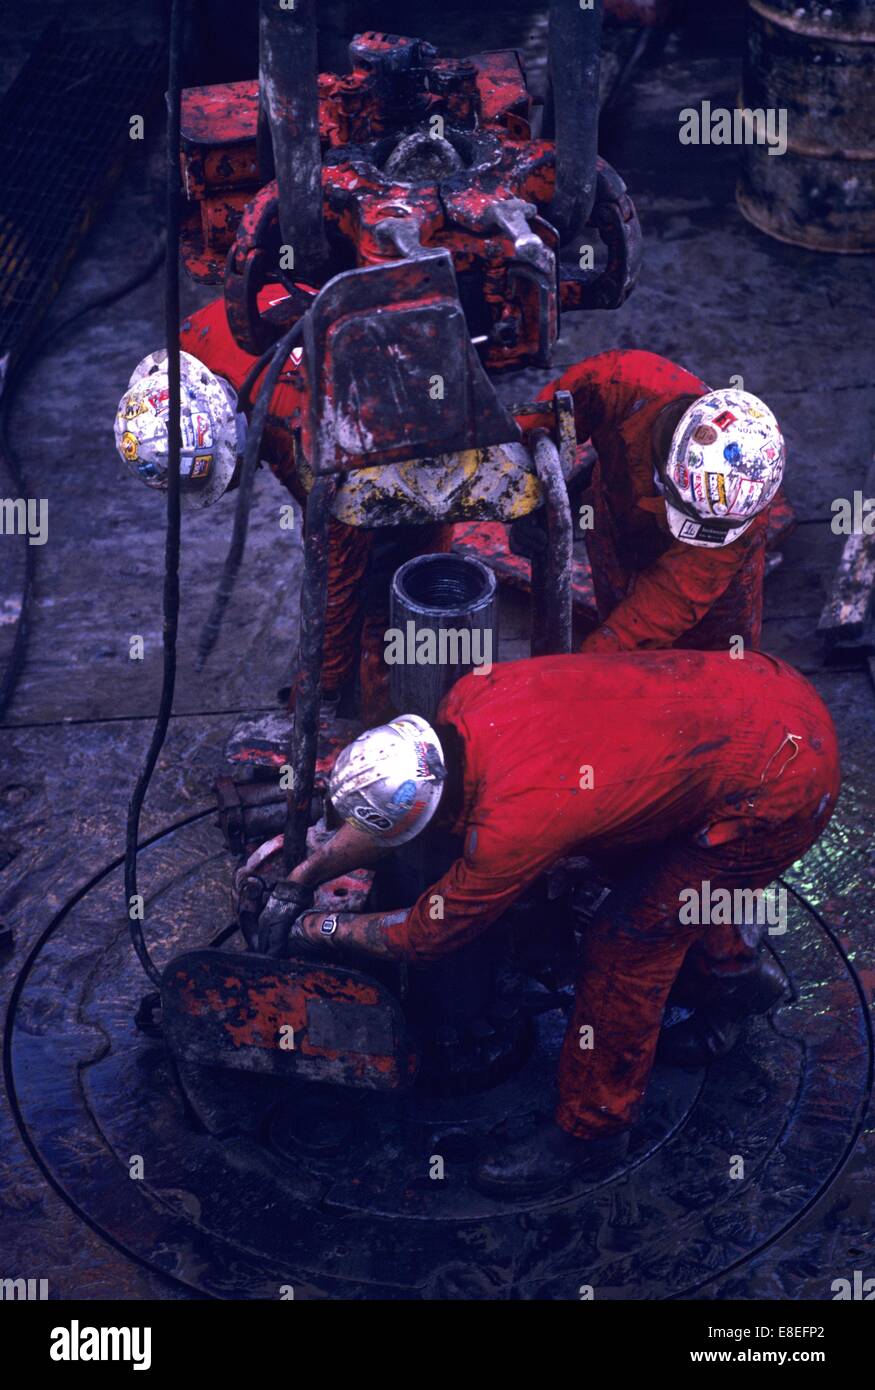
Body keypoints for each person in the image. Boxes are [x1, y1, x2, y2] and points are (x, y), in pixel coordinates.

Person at [250, 648, 840, 1199]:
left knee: (628, 942)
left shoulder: (512, 828)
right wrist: (306, 875)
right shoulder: (473, 697)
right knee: (661, 870)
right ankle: (736, 979)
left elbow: (431, 934)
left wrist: (319, 930)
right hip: (760, 694)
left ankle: (594, 1132)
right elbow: (407, 816)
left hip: (779, 786)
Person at [523, 349, 785, 654]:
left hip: (712, 585)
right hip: (616, 519)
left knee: (715, 664)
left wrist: (596, 660)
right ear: (668, 467)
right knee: (614, 608)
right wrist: (526, 494)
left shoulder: (737, 511)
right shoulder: (617, 383)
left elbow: (670, 600)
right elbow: (533, 421)